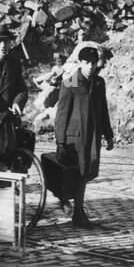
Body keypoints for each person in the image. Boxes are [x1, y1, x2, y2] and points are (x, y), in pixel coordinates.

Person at [53, 44, 114, 229]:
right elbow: (62, 114)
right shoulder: (70, 82)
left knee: (86, 173)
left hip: (92, 137)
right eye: (87, 63)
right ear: (80, 63)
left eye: (94, 63)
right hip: (74, 138)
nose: (91, 67)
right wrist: (60, 141)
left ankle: (75, 209)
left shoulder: (99, 83)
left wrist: (108, 135)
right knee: (75, 174)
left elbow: (103, 110)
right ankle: (76, 211)